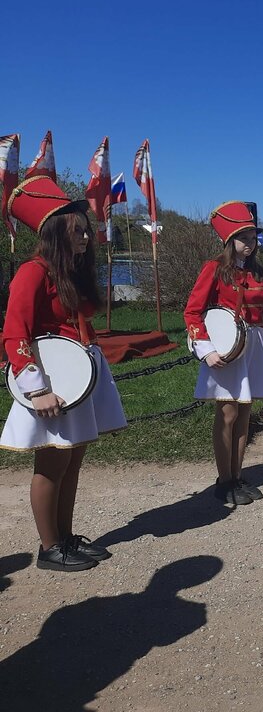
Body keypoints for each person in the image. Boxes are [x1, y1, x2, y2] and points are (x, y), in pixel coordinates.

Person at [0, 176, 127, 571]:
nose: (86, 238)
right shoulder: (32, 272)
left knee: (72, 461)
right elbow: (13, 333)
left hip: (76, 382)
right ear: (56, 232)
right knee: (52, 464)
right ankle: (48, 547)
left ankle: (66, 538)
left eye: (86, 231)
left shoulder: (68, 272)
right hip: (50, 384)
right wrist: (37, 389)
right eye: (78, 232)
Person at [185, 201, 263, 507]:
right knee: (227, 414)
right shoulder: (214, 269)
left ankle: (237, 475)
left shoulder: (259, 273)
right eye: (243, 238)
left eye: (252, 238)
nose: (249, 245)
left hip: (254, 348)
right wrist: (206, 349)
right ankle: (223, 480)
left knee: (245, 414)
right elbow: (193, 312)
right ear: (229, 241)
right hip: (225, 349)